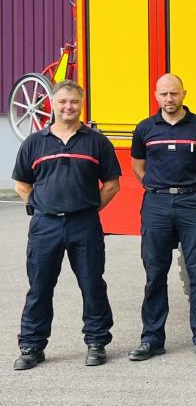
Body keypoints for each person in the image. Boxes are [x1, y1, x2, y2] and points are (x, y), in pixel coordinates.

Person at [12, 80, 121, 370]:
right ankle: (32, 346)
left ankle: (97, 342)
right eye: (62, 102)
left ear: (81, 104)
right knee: (40, 286)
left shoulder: (96, 142)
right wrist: (38, 204)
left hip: (84, 224)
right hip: (45, 226)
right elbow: (21, 182)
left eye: (73, 102)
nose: (68, 107)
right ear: (53, 103)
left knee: (92, 284)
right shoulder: (35, 142)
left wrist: (88, 208)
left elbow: (112, 185)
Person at [128, 74, 196, 361]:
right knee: (155, 273)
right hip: (156, 203)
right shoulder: (145, 128)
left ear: (184, 93)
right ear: (156, 96)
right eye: (164, 94)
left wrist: (195, 192)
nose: (169, 99)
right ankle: (152, 339)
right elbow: (137, 166)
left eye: (174, 93)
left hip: (191, 203)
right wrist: (156, 189)